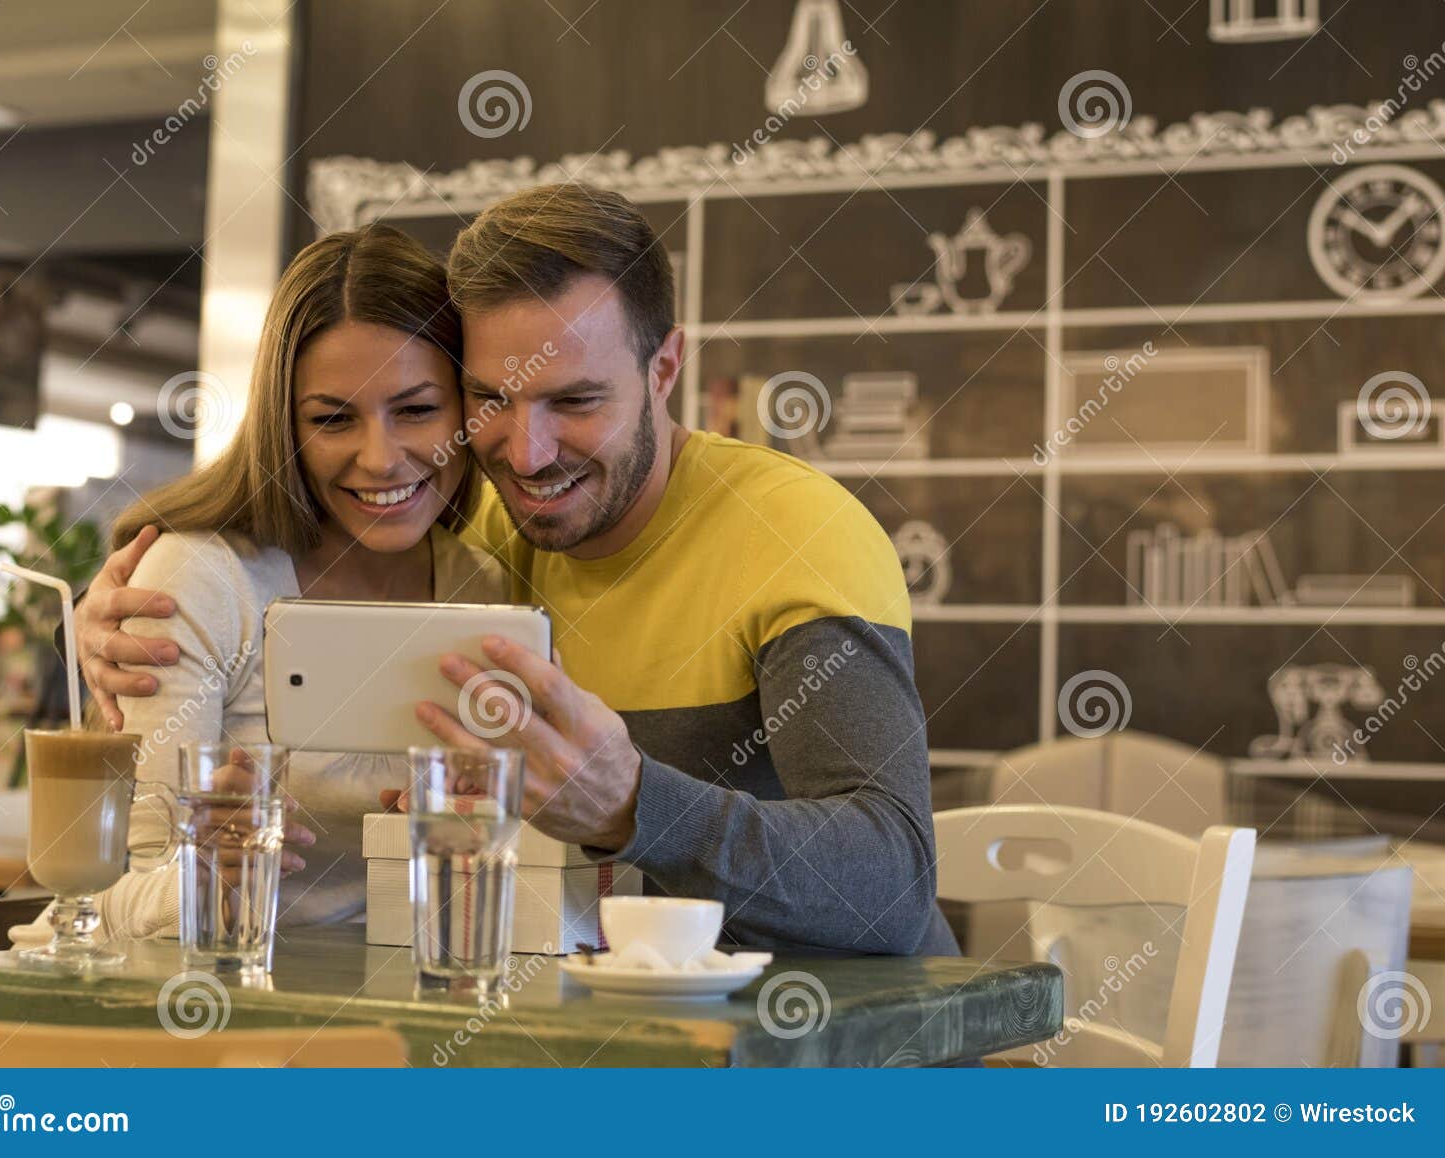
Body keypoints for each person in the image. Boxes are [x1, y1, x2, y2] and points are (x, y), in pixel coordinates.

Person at [77, 184, 957, 956]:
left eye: (575, 400)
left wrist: (632, 804)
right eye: (492, 399)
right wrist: (108, 615)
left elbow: (889, 886)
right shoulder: (484, 542)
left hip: (868, 1055)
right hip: (627, 1039)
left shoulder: (799, 534)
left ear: (665, 369)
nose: (527, 454)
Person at [65, 222, 505, 939]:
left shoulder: (481, 588)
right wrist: (207, 870)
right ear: (283, 428)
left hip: (393, 1014)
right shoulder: (202, 579)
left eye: (417, 410)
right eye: (333, 419)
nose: (381, 457)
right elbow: (108, 898)